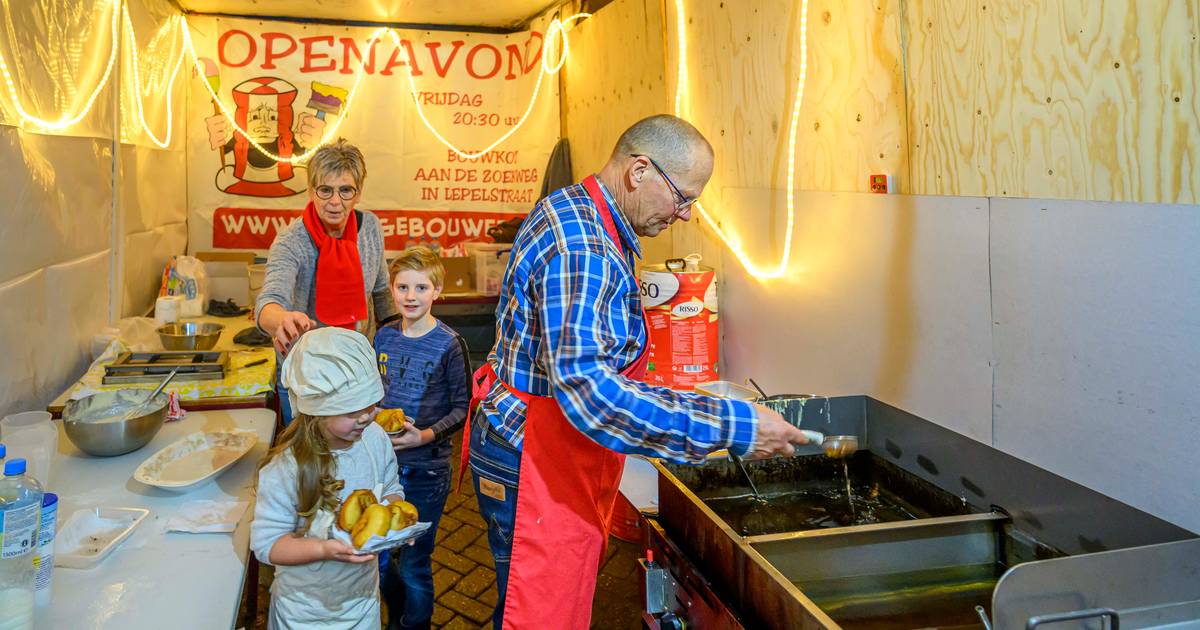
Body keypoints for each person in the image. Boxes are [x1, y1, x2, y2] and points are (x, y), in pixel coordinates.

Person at [467, 114, 812, 629]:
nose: (687, 214)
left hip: (536, 439)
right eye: (683, 197)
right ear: (639, 170)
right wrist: (732, 426)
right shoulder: (583, 248)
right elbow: (592, 394)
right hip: (534, 456)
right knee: (535, 614)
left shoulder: (580, 208)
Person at [250, 327, 405, 629]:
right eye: (352, 411)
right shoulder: (287, 467)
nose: (367, 417)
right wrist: (324, 549)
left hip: (362, 607)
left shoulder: (374, 439)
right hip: (303, 615)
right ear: (317, 411)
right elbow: (267, 545)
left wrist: (393, 518)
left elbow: (391, 488)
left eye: (372, 405)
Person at [255, 138, 397, 425]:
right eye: (326, 190)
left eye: (346, 190)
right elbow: (268, 303)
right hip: (307, 376)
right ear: (311, 190)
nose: (335, 202)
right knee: (311, 461)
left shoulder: (369, 227)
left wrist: (403, 340)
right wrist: (282, 320)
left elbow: (382, 292)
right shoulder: (291, 241)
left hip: (358, 368)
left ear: (358, 193)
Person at [374, 247, 470, 630]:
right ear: (392, 290)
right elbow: (374, 393)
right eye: (402, 287)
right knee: (380, 558)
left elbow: (464, 407)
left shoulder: (450, 344)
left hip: (425, 471)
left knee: (414, 562)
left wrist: (424, 436)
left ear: (437, 291)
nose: (410, 296)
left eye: (421, 287)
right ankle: (398, 616)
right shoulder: (382, 336)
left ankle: (415, 625)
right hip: (383, 466)